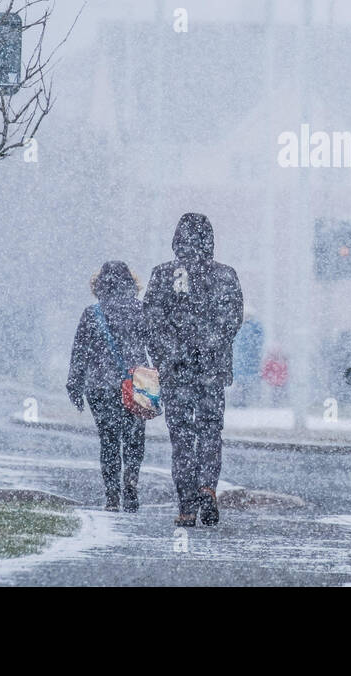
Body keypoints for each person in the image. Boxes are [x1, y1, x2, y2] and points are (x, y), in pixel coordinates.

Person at [144, 213, 243, 527]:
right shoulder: (225, 275)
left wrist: (173, 353)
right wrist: (208, 346)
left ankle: (187, 506)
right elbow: (232, 320)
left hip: (177, 373)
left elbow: (152, 322)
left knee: (182, 436)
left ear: (177, 240)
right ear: (209, 241)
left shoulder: (163, 275)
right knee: (210, 431)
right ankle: (207, 487)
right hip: (211, 370)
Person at [67, 261, 149, 512]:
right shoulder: (141, 310)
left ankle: (112, 495)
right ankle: (131, 482)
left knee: (109, 440)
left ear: (99, 284)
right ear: (131, 283)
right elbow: (155, 345)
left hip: (100, 387)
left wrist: (74, 385)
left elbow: (79, 354)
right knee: (134, 438)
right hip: (136, 385)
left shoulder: (92, 314)